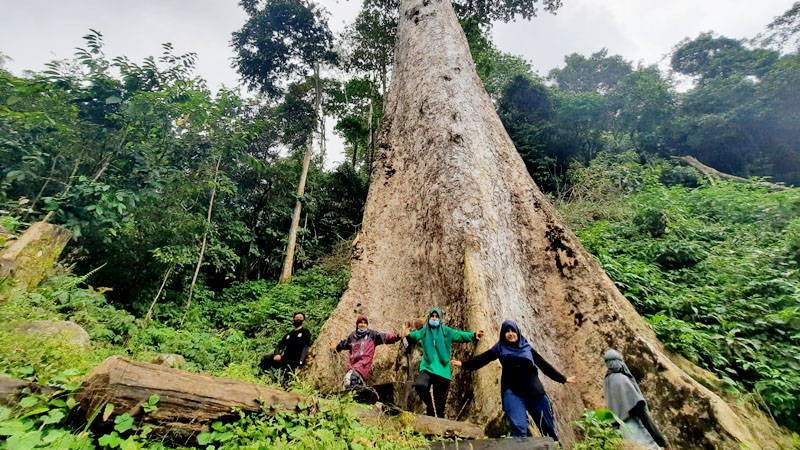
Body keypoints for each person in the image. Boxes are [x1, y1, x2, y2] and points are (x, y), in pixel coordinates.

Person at [454, 320, 577, 441]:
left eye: (513, 330)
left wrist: (563, 379)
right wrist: (464, 364)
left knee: (548, 428)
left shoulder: (527, 347)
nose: (510, 333)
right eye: (507, 331)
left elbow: (544, 365)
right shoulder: (500, 348)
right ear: (503, 334)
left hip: (535, 392)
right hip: (513, 392)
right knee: (519, 428)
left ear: (518, 332)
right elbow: (484, 358)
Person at [405, 308, 484, 418]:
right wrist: (407, 334)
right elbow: (413, 336)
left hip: (443, 371)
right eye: (432, 316)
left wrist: (473, 335)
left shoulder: (446, 331)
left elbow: (460, 335)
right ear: (429, 318)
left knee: (440, 407)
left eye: (437, 316)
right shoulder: (424, 331)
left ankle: (440, 427)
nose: (434, 318)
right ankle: (430, 410)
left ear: (440, 318)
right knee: (420, 385)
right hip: (428, 367)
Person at [603, 349, 669, 449]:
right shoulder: (623, 379)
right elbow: (641, 412)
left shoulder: (608, 380)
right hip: (637, 431)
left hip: (624, 433)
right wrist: (661, 441)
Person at [332, 315, 402, 390]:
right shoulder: (352, 336)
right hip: (353, 366)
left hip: (363, 365)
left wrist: (398, 336)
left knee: (349, 379)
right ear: (357, 324)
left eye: (365, 323)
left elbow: (386, 337)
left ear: (367, 325)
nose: (362, 325)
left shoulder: (372, 335)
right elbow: (344, 344)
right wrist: (335, 348)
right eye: (360, 323)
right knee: (351, 386)